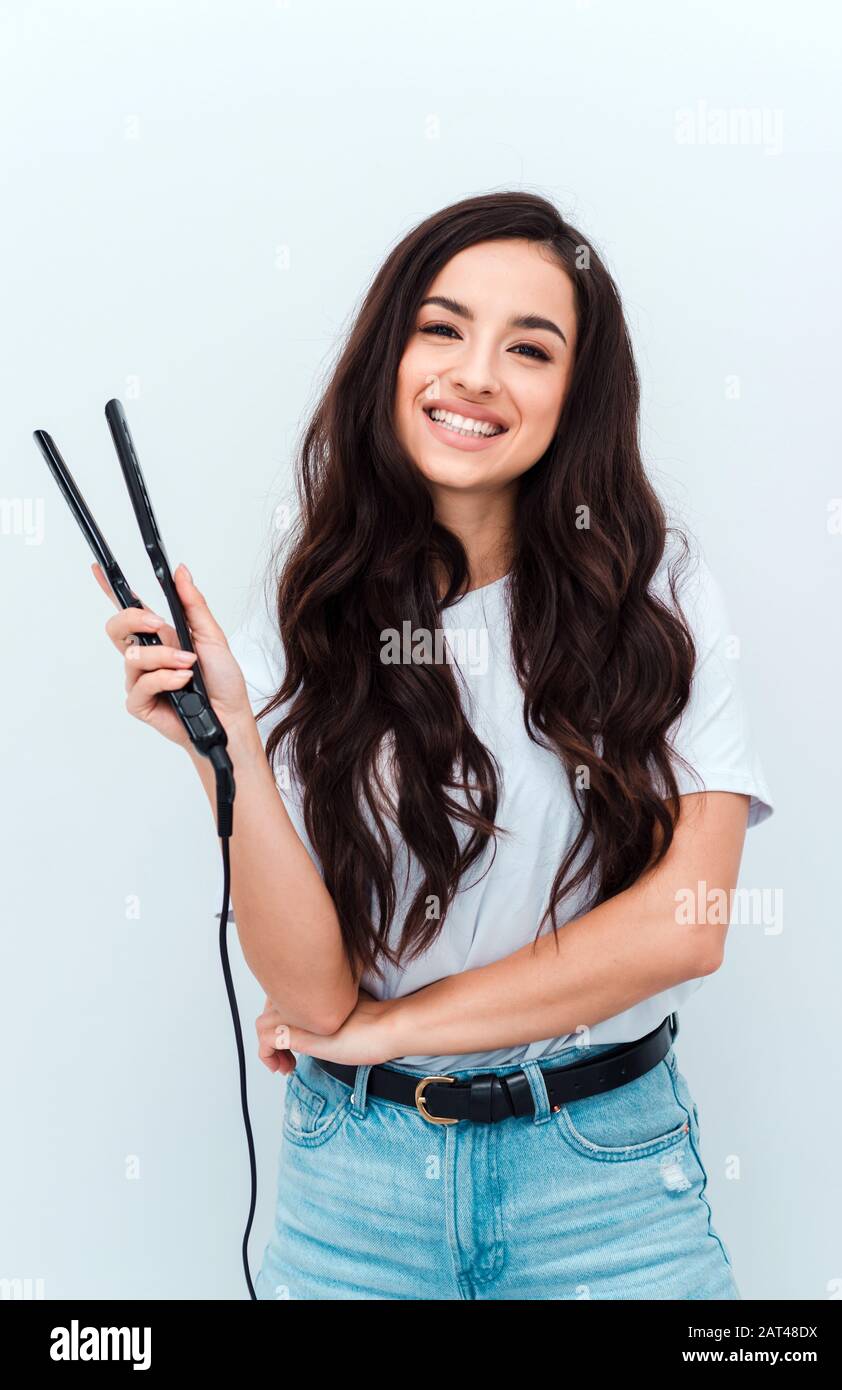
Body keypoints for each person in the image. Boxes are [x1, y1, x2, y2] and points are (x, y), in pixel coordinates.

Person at [97, 191, 774, 1300]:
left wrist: (392, 1029)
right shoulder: (310, 617)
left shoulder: (659, 599)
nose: (475, 375)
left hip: (601, 1188)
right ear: (390, 354)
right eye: (443, 328)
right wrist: (227, 759)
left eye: (531, 347)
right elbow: (313, 1002)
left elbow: (686, 927)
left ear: (577, 395)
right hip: (352, 1194)